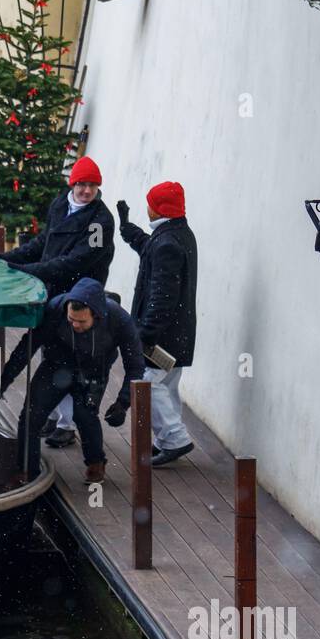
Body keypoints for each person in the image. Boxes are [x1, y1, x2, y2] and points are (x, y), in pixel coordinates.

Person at [0, 154, 115, 450]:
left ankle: (66, 425)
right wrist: (6, 260)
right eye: (82, 184)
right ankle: (58, 416)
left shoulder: (101, 221)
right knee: (53, 354)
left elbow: (75, 262)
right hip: (52, 290)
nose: (87, 190)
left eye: (93, 185)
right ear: (73, 184)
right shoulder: (60, 204)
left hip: (78, 297)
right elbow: (42, 245)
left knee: (72, 360)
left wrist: (24, 271)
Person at [0, 277, 144, 484]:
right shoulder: (55, 309)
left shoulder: (119, 320)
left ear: (96, 316)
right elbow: (28, 346)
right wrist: (4, 380)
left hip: (93, 370)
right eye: (72, 320)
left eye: (81, 321)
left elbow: (135, 364)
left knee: (85, 415)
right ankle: (27, 469)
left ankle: (96, 463)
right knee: (31, 416)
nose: (75, 324)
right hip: (57, 366)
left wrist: (123, 403)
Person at [117, 180, 198, 468]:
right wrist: (129, 231)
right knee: (167, 385)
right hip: (179, 334)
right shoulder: (178, 234)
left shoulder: (166, 242)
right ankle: (166, 441)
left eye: (150, 203)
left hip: (162, 335)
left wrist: (145, 334)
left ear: (158, 208)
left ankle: (175, 439)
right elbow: (150, 248)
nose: (147, 207)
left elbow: (162, 297)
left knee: (148, 385)